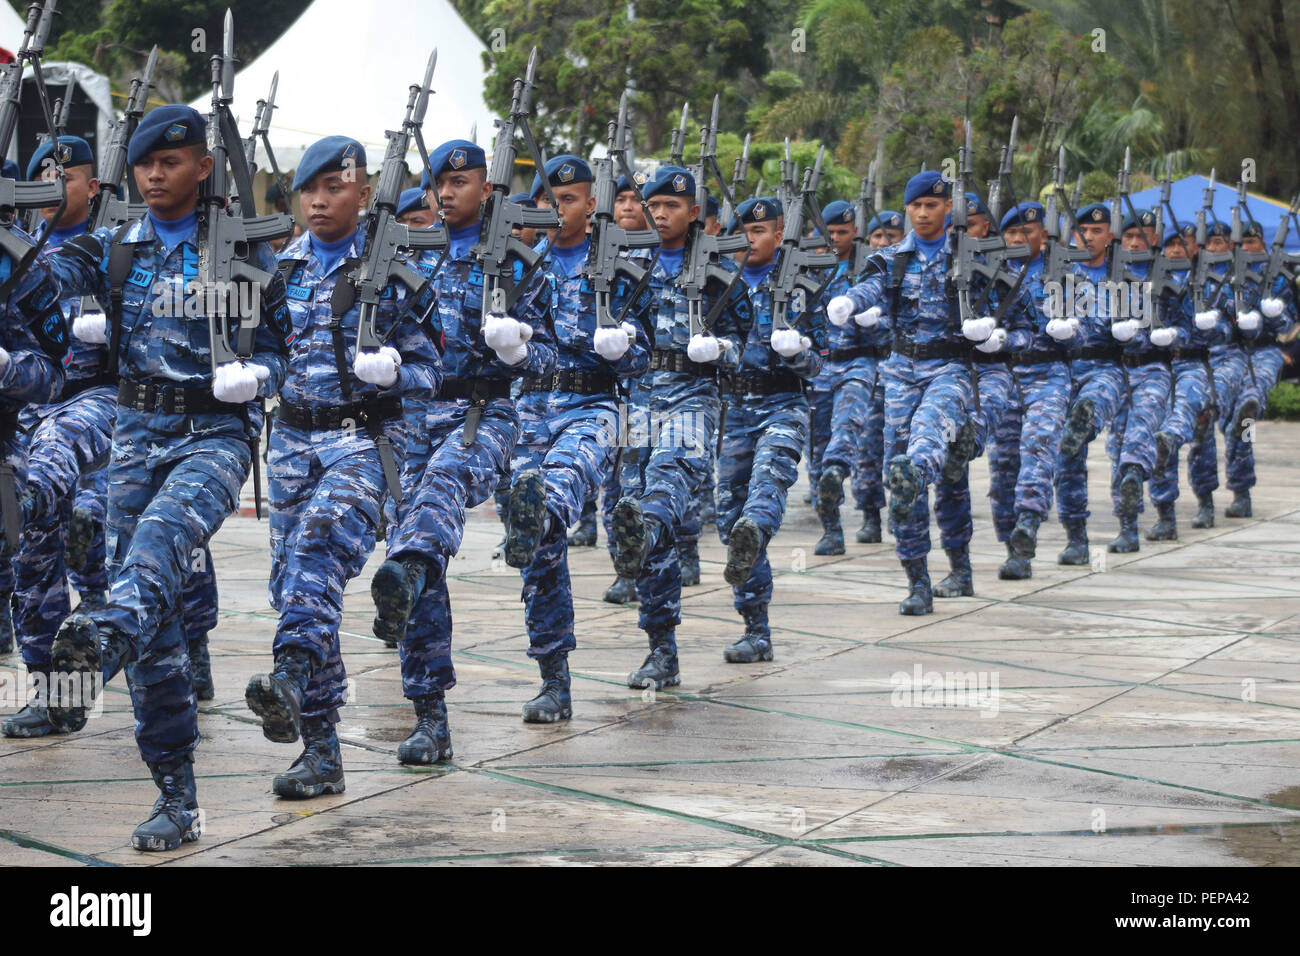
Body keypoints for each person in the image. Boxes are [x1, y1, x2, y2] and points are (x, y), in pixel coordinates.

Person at [43, 104, 291, 851]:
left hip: (213, 435)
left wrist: (260, 375)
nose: (156, 174)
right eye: (146, 163)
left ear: (203, 168)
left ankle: (100, 644)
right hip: (134, 436)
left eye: (171, 162)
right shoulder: (116, 250)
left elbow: (284, 345)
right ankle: (177, 797)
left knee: (158, 545)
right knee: (154, 622)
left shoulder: (244, 254)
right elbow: (37, 282)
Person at [243, 136, 441, 798]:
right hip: (294, 444)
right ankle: (321, 752)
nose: (320, 201)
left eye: (334, 188)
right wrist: (249, 375)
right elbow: (266, 352)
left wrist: (393, 373)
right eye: (310, 191)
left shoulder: (395, 270)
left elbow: (430, 368)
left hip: (366, 442)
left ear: (362, 192)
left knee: (321, 549)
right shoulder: (281, 270)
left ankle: (295, 676)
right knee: (295, 589)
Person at [368, 138, 554, 764]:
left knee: (441, 495)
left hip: (486, 411)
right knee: (412, 554)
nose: (447, 194)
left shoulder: (518, 262)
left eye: (461, 182)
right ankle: (430, 717)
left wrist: (518, 347)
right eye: (438, 185)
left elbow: (554, 355)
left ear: (489, 189)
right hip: (414, 415)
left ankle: (417, 565)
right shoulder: (407, 255)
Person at [502, 154, 651, 721]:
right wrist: (514, 346)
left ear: (592, 204)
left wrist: (623, 347)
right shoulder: (524, 265)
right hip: (534, 406)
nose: (556, 209)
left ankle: (540, 511)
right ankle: (553, 679)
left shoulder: (619, 264)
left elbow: (646, 355)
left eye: (568, 199)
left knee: (552, 494)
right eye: (548, 200)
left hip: (595, 404)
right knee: (539, 547)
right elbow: (526, 347)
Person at [828, 171, 995, 614]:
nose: (923, 213)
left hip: (951, 366)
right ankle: (918, 581)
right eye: (916, 206)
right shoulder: (892, 257)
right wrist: (851, 303)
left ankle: (959, 566)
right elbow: (870, 286)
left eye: (933, 206)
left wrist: (992, 329)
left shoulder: (972, 255)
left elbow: (1005, 298)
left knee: (926, 439)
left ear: (948, 210)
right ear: (907, 209)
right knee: (900, 479)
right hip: (901, 371)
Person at [611, 165, 751, 687]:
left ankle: (644, 534)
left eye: (674, 205)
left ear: (695, 213)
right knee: (636, 512)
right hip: (639, 399)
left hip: (693, 395)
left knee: (667, 485)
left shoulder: (719, 270)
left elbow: (745, 346)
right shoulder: (627, 266)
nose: (662, 213)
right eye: (655, 205)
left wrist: (718, 349)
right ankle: (661, 649)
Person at [716, 196, 825, 660]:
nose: (749, 241)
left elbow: (821, 362)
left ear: (779, 235)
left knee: (767, 486)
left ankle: (758, 528)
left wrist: (797, 351)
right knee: (730, 518)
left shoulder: (802, 286)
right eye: (741, 232)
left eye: (759, 232)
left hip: (782, 401)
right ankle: (755, 629)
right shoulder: (718, 283)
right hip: (733, 408)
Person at [984, 202, 1075, 578]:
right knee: (1003, 464)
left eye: (1029, 232)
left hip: (1048, 373)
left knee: (1038, 447)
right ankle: (1011, 546)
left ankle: (1028, 526)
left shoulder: (1065, 273)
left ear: (1044, 235)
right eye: (1013, 234)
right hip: (1004, 377)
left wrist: (1070, 329)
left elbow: (1087, 324)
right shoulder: (989, 273)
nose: (1021, 239)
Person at [1052, 203, 1129, 566]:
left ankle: (1089, 417)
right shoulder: (1060, 276)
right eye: (1083, 230)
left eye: (1097, 231)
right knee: (1067, 453)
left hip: (1107, 365)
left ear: (1109, 236)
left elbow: (1147, 337)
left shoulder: (1126, 278)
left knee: (1093, 404)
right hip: (1067, 369)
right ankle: (1076, 537)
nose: (1089, 236)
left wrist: (1131, 334)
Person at [811, 199, 888, 553]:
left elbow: (889, 331)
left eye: (844, 231)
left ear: (855, 231)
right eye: (831, 232)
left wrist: (872, 322)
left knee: (850, 435)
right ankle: (831, 528)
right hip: (820, 366)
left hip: (859, 363)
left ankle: (870, 511)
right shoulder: (809, 266)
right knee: (818, 445)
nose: (837, 238)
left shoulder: (871, 269)